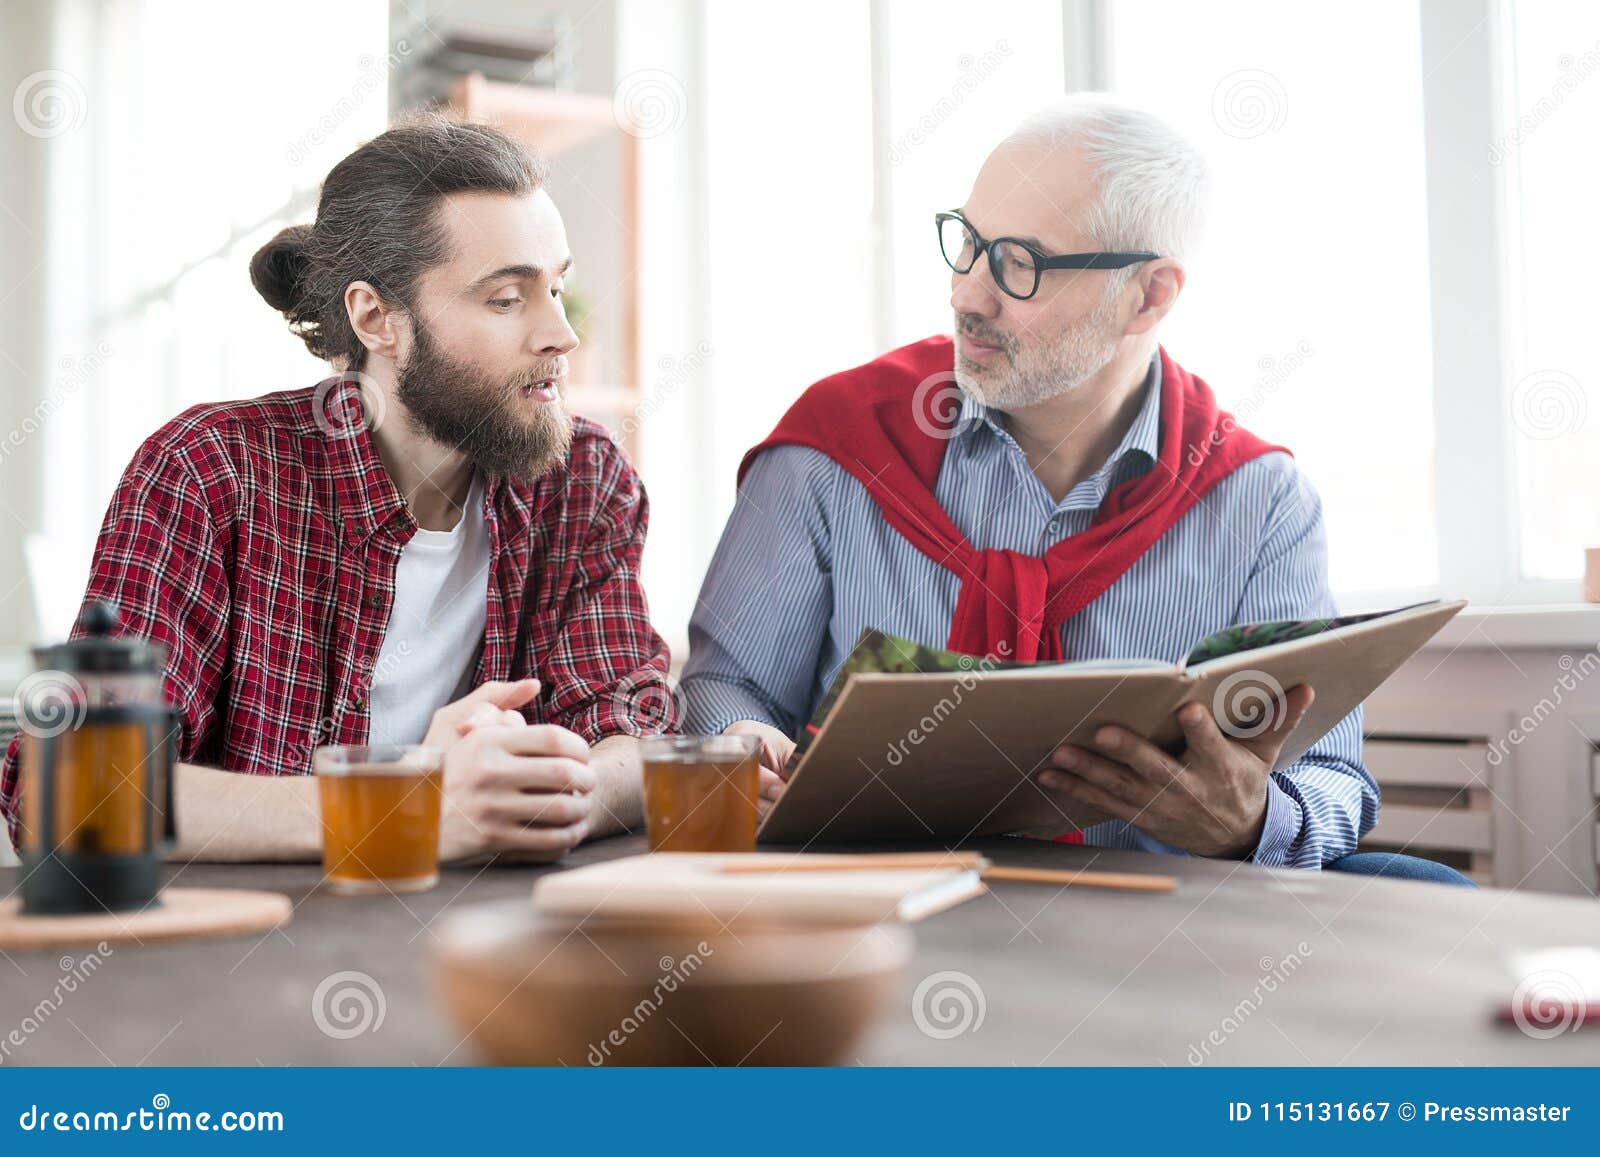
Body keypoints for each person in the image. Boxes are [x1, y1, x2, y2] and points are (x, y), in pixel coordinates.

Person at [681, 96, 1468, 884]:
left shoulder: (1262, 503)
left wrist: (1251, 821)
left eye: (1019, 263)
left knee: (1436, 895)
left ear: (1150, 295)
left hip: (1164, 927)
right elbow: (727, 683)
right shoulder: (834, 448)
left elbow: (1333, 781)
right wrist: (745, 743)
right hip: (883, 909)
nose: (968, 295)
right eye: (968, 243)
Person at [2, 115, 674, 863]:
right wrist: (412, 804)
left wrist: (550, 786)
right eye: (507, 299)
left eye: (556, 287)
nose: (562, 333)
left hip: (481, 942)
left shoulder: (583, 479)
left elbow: (638, 735)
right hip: (240, 960)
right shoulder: (210, 470)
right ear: (375, 317)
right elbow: (71, 789)